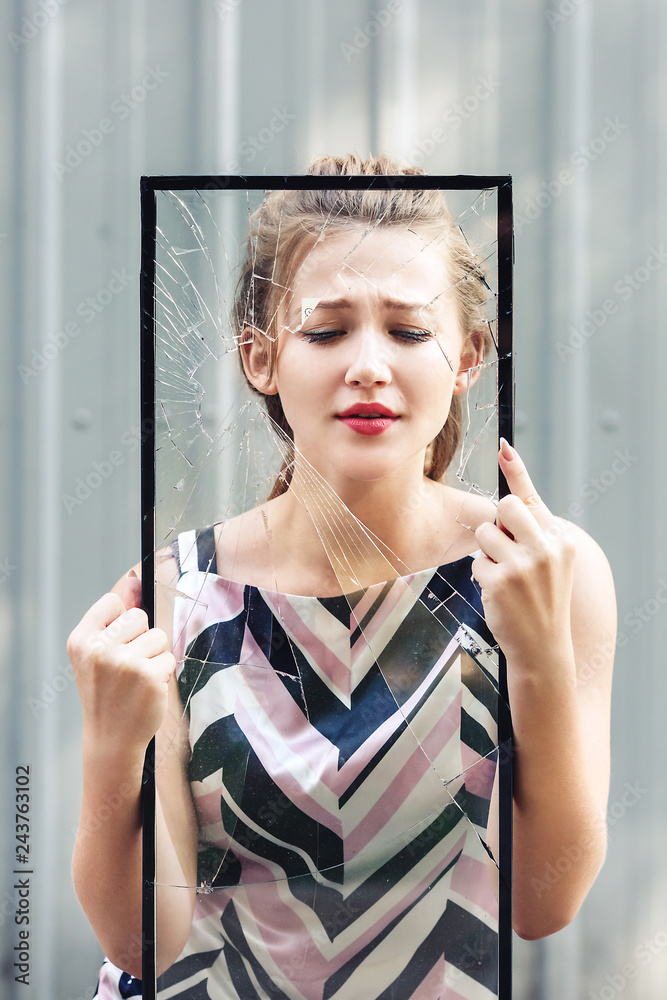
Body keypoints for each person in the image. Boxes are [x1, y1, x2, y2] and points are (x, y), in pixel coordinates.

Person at [67, 154, 615, 1000]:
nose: (367, 365)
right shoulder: (177, 592)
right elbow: (144, 942)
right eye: (325, 332)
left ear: (468, 356)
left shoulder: (541, 573)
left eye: (408, 331)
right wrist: (109, 751)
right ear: (260, 358)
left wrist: (536, 656)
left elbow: (544, 905)